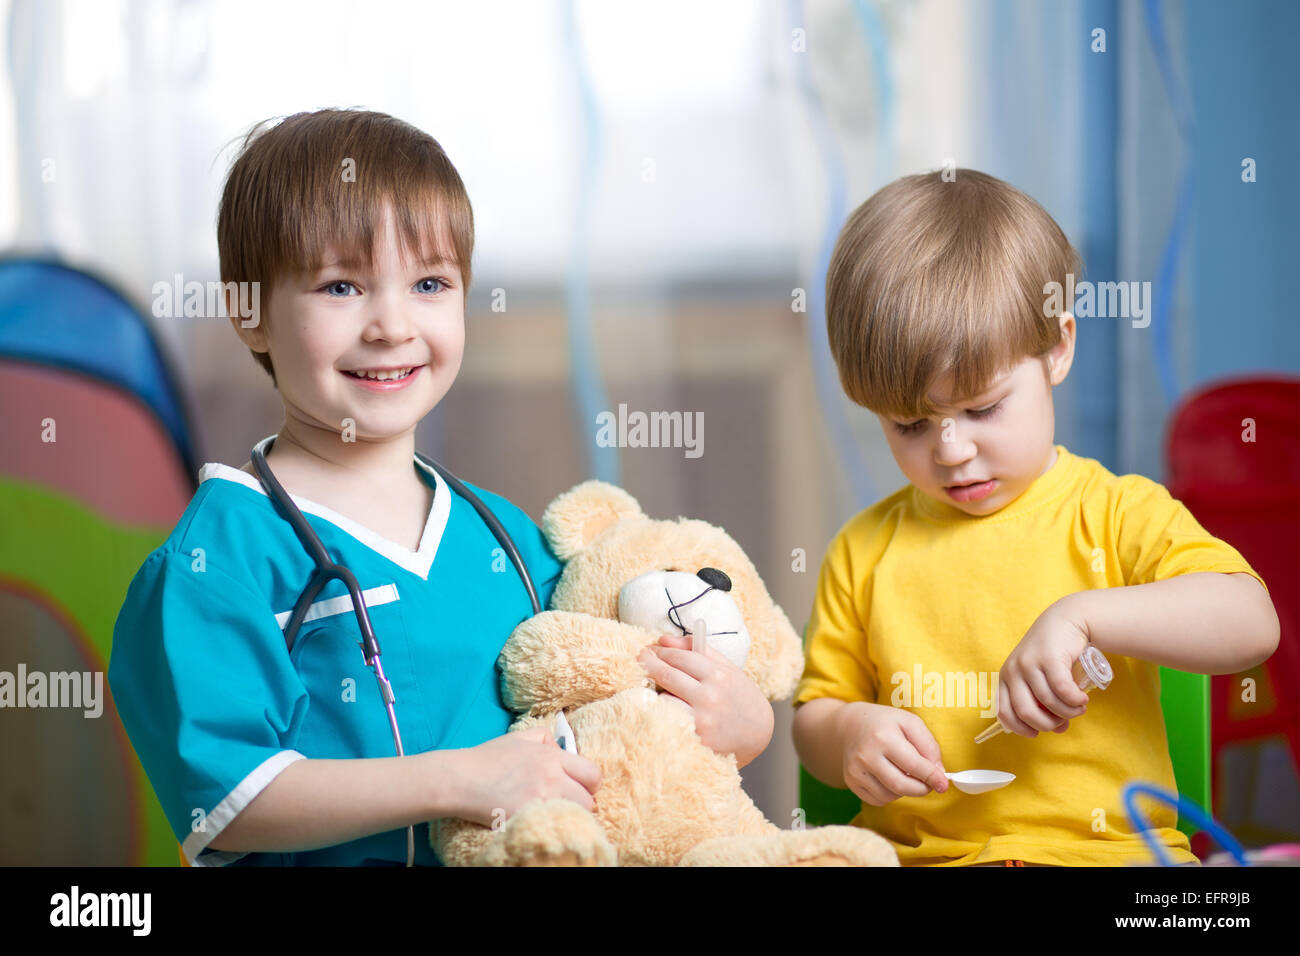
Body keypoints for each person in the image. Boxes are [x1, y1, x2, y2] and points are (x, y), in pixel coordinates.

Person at [108, 108, 773, 866]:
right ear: (249, 312)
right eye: (340, 287)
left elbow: (608, 701)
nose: (392, 325)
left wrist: (738, 723)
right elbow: (226, 802)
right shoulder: (217, 562)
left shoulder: (508, 541)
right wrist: (457, 782)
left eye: (429, 282)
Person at [791, 168, 1281, 867]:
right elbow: (815, 721)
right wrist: (849, 734)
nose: (952, 451)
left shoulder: (1117, 515)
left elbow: (1251, 624)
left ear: (1058, 347)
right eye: (909, 425)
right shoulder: (863, 550)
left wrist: (1086, 616)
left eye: (983, 408)